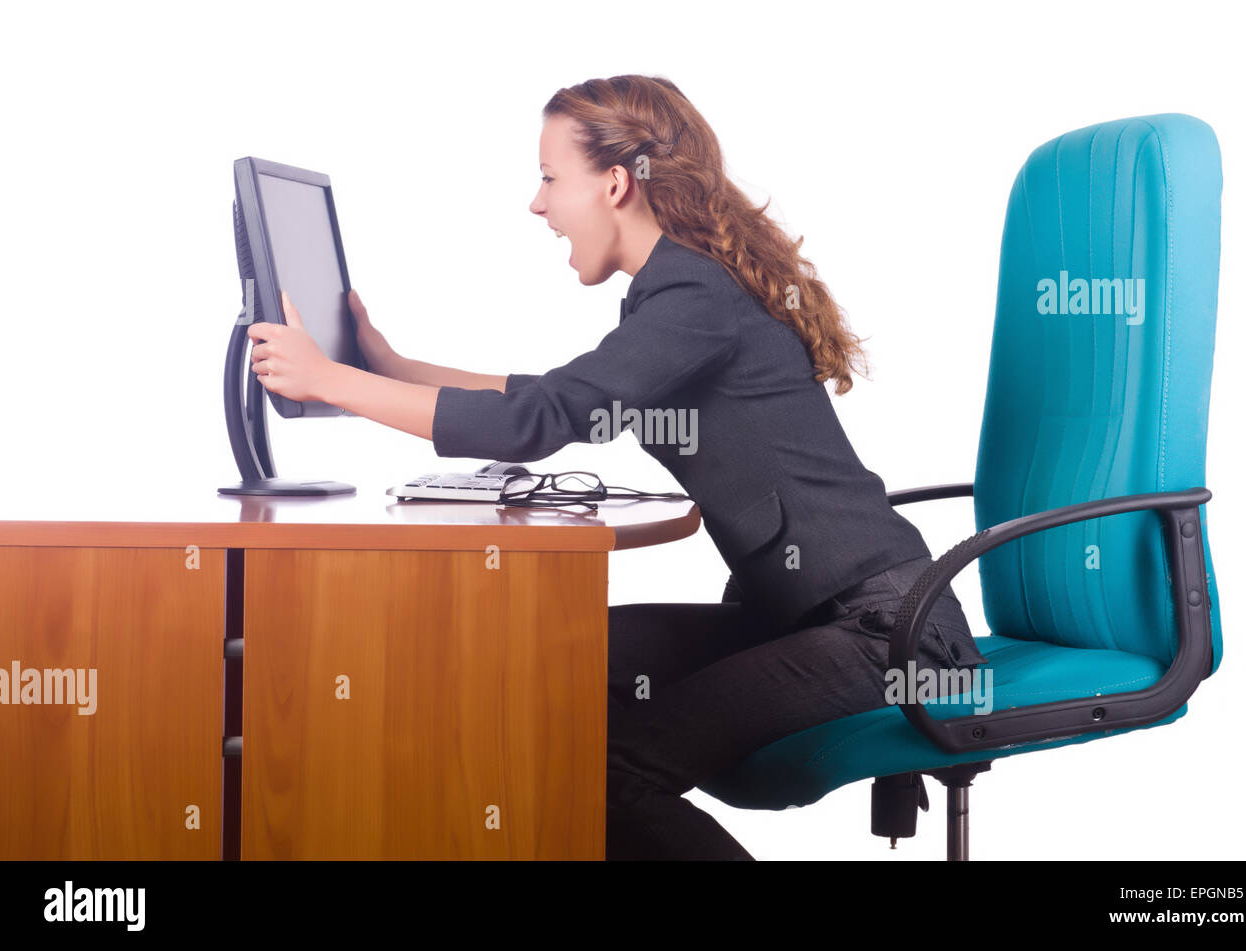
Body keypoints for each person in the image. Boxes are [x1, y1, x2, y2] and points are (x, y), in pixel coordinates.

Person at [245, 74, 990, 860]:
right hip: (805, 617)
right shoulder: (679, 292)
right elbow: (556, 396)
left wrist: (331, 382)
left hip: (893, 638)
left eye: (548, 177)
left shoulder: (694, 295)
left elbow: (538, 420)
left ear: (614, 183)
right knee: (552, 659)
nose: (537, 204)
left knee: (606, 771)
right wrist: (389, 366)